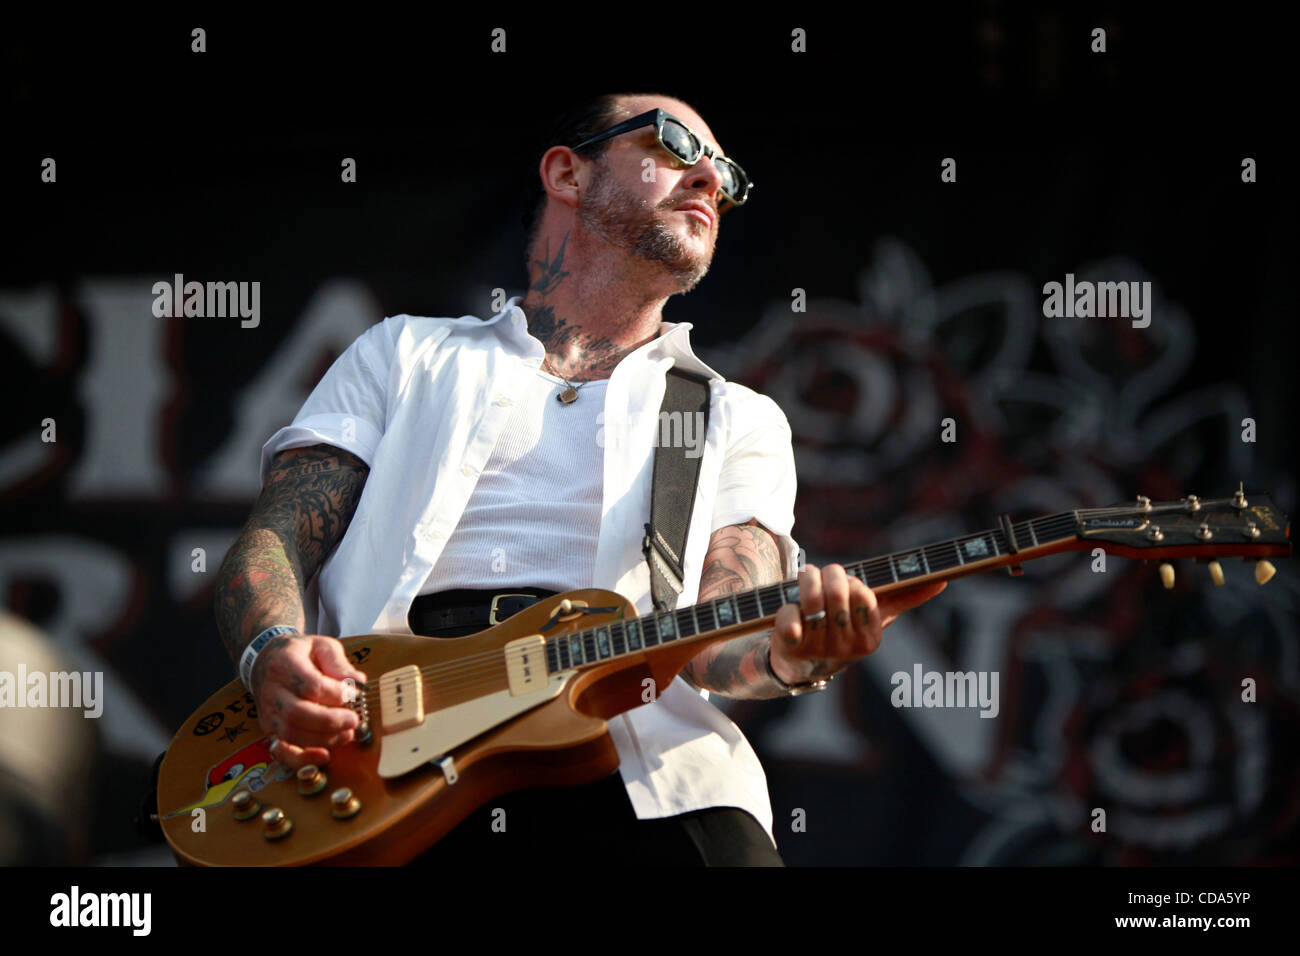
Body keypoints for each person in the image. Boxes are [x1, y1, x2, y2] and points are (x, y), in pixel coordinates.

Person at [213, 92, 945, 866]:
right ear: (567, 172)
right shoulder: (405, 355)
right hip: (389, 755)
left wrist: (795, 654)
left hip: (646, 775)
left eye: (725, 175)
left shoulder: (737, 418)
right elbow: (278, 535)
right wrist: (271, 652)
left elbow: (718, 636)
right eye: (672, 145)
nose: (707, 180)